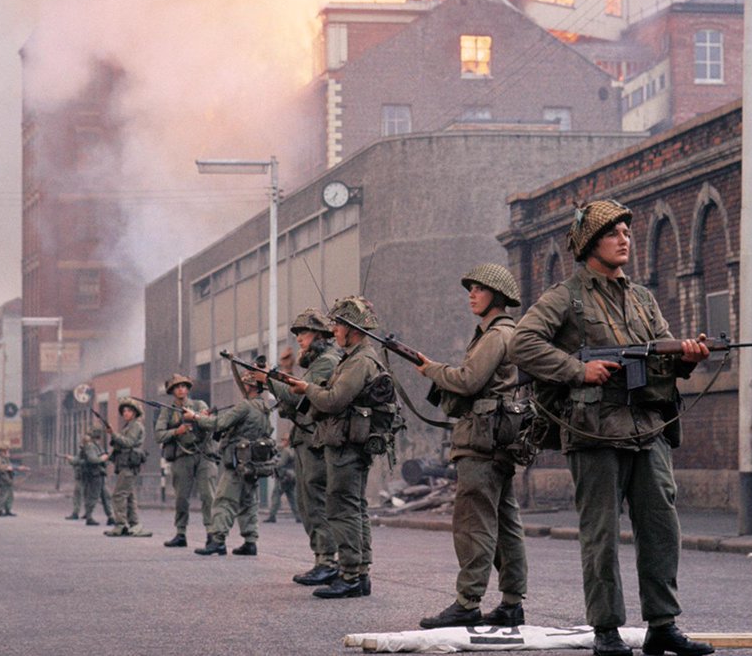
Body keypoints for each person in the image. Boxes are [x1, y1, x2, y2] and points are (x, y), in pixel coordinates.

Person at [510, 200, 713, 656]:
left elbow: (661, 350)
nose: (625, 239)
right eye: (613, 233)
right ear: (589, 244)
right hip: (595, 431)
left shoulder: (643, 298)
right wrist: (576, 371)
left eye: (626, 230)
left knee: (662, 527)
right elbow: (522, 343)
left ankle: (663, 625)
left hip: (647, 427)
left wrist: (686, 356)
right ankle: (606, 630)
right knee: (601, 533)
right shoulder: (566, 297)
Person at [415, 264, 528, 629]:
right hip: (496, 438)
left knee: (472, 521)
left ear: (495, 295)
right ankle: (512, 602)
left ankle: (467, 602)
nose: (471, 295)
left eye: (478, 289)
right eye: (471, 289)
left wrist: (432, 370)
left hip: (482, 441)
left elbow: (468, 380)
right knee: (506, 522)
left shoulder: (496, 335)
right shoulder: (500, 333)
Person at [285, 296, 391, 600]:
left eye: (339, 324)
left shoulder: (360, 361)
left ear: (352, 328)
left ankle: (350, 575)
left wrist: (307, 388)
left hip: (347, 445)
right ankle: (357, 573)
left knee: (343, 508)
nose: (335, 330)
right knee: (352, 507)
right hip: (345, 442)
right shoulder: (353, 358)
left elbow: (333, 400)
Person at [262, 309, 341, 585]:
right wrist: (279, 376)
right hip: (307, 437)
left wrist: (268, 380)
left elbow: (298, 398)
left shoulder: (327, 362)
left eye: (303, 334)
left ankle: (328, 561)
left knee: (314, 500)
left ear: (319, 335)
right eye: (297, 335)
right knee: (308, 501)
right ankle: (324, 559)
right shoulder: (319, 362)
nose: (299, 340)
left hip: (316, 439)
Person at [192, 374, 273, 557]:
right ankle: (250, 542)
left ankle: (217, 541)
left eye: (244, 383)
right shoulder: (264, 408)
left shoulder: (245, 406)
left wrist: (197, 418)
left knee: (224, 500)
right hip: (253, 463)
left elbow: (220, 423)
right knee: (249, 502)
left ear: (250, 386)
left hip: (237, 463)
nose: (241, 385)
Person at [154, 373, 213, 549]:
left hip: (203, 455)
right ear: (172, 391)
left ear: (188, 389)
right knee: (181, 498)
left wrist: (197, 417)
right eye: (177, 387)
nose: (181, 389)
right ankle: (180, 533)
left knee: (208, 495)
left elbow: (212, 424)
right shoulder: (168, 410)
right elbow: (158, 435)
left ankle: (212, 534)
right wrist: (176, 431)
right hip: (182, 456)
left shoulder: (199, 405)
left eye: (184, 386)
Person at [104, 400, 152, 537]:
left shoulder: (136, 426)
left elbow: (128, 442)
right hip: (125, 464)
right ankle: (134, 524)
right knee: (129, 496)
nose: (125, 413)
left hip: (129, 465)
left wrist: (113, 434)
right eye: (124, 411)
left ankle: (120, 525)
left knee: (118, 495)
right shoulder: (129, 426)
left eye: (129, 411)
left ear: (135, 412)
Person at [265, 437, 300, 523]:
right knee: (292, 497)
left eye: (284, 440)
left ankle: (272, 515)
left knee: (276, 495)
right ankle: (299, 516)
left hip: (283, 477)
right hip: (292, 476)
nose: (282, 442)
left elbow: (281, 464)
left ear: (287, 441)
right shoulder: (294, 450)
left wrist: (274, 465)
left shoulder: (286, 451)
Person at [0, 444, 27, 517]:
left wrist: (19, 468)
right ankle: (0, 511)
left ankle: (8, 510)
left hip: (8, 479)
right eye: (7, 451)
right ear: (3, 452)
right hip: (3, 479)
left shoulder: (6, 459)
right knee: (3, 495)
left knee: (10, 496)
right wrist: (7, 467)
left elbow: (11, 466)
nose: (8, 453)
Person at [65, 434, 88, 520]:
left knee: (77, 495)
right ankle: (87, 513)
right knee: (86, 495)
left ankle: (76, 513)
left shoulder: (85, 451)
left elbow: (78, 461)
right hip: (85, 475)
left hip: (82, 475)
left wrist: (72, 459)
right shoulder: (89, 450)